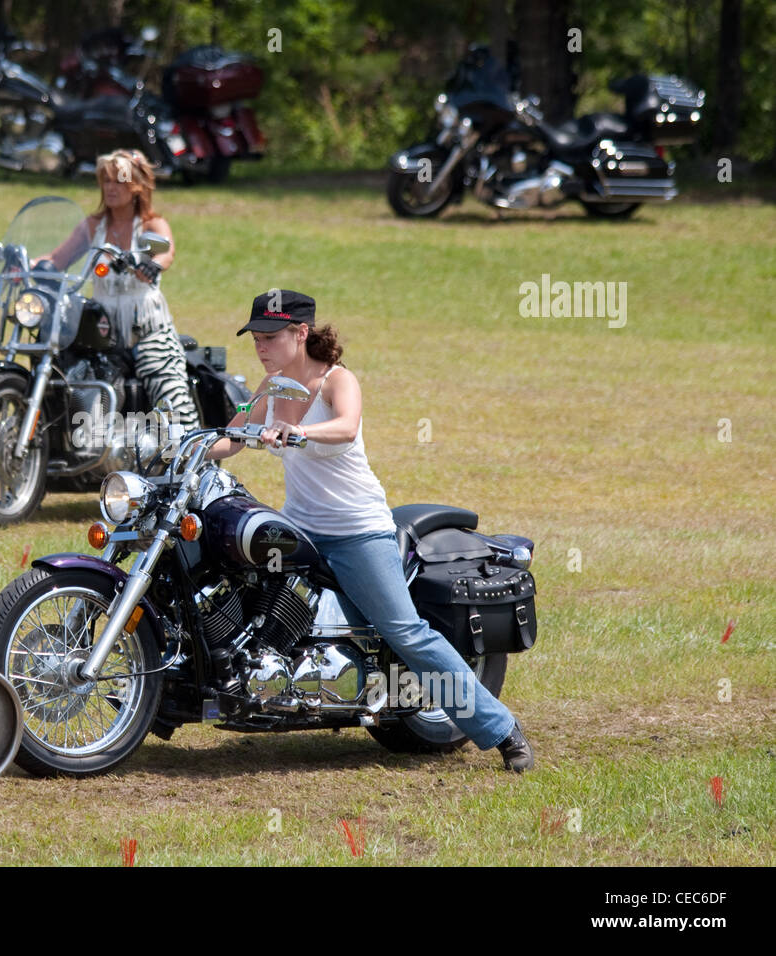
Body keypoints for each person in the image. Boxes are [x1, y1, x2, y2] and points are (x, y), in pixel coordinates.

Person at [208, 289, 535, 772]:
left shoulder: (338, 380)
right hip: (302, 527)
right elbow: (231, 438)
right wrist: (181, 446)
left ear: (300, 334)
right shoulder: (273, 386)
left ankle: (503, 730)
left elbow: (345, 427)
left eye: (271, 336)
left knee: (406, 632)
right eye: (255, 336)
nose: (261, 345)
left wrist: (298, 433)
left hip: (357, 531)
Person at [46, 149, 199, 431]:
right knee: (80, 384)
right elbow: (56, 260)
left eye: (119, 181)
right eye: (106, 181)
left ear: (137, 186)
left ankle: (193, 454)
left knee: (169, 389)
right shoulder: (93, 226)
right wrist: (24, 265)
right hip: (103, 332)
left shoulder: (153, 223)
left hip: (148, 329)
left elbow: (167, 252)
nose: (111, 188)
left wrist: (154, 265)